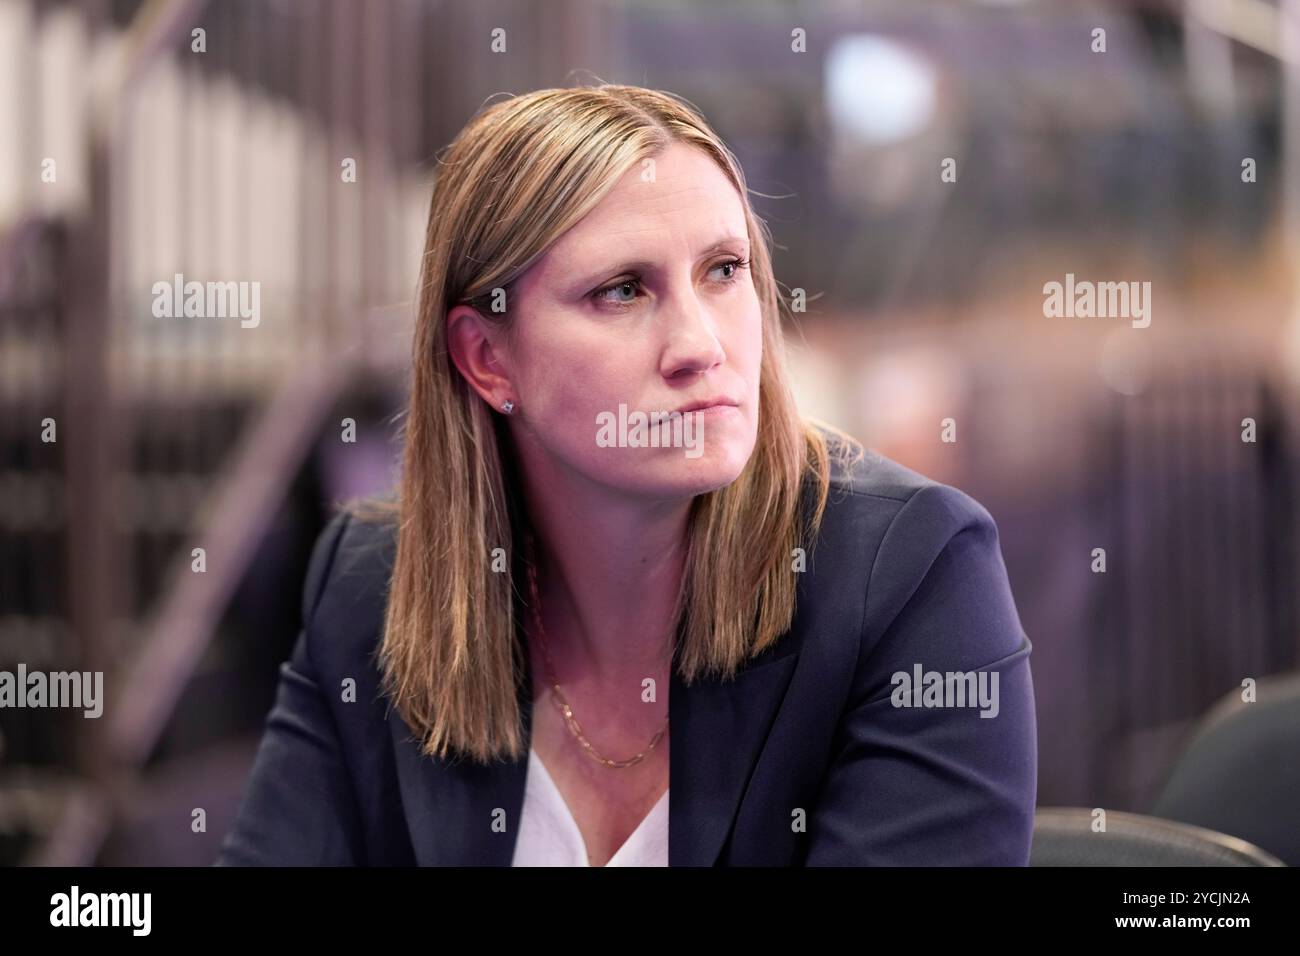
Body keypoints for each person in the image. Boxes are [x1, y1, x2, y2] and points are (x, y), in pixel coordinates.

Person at [216, 83, 1036, 867]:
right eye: (621, 290)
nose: (700, 345)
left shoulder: (912, 575)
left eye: (723, 270)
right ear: (486, 357)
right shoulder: (370, 587)